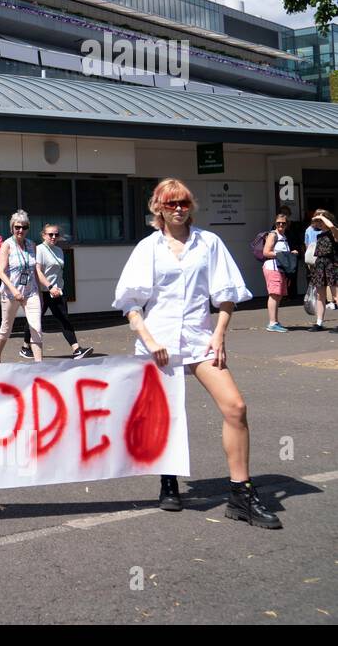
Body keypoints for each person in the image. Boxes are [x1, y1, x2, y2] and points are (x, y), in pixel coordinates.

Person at [114, 178, 280, 528]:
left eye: (184, 203)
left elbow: (226, 294)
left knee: (235, 406)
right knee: (165, 416)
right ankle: (169, 480)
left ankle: (240, 493)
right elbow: (130, 303)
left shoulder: (209, 243)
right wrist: (148, 338)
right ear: (157, 207)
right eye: (171, 203)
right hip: (157, 343)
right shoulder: (148, 248)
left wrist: (219, 335)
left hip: (199, 340)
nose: (178, 209)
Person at [20, 223, 94, 360]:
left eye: (56, 234)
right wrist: (49, 287)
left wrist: (58, 288)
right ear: (43, 235)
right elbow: (38, 272)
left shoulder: (59, 251)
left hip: (57, 292)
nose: (53, 237)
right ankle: (25, 346)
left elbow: (58, 272)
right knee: (35, 320)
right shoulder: (40, 250)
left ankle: (76, 349)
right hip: (42, 292)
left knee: (64, 319)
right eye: (50, 234)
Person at [0, 210, 47, 364]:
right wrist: (14, 290)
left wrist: (41, 293)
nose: (20, 230)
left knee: (36, 327)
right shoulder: (7, 245)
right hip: (11, 293)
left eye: (24, 227)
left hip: (31, 292)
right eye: (17, 227)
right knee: (6, 328)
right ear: (12, 228)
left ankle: (39, 364)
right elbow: (1, 272)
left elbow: (35, 271)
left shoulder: (31, 245)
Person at [262, 213, 297, 332]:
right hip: (272, 267)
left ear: (287, 224)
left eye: (283, 223)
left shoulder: (284, 236)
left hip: (280, 268)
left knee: (279, 295)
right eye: (278, 223)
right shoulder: (273, 234)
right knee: (274, 294)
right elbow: (266, 252)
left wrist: (291, 254)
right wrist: (284, 255)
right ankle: (272, 323)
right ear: (275, 223)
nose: (281, 225)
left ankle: (275, 321)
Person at [306, 210, 337, 331]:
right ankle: (319, 323)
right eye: (318, 220)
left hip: (331, 265)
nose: (319, 222)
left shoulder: (334, 232)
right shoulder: (319, 234)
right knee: (320, 296)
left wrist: (322, 216)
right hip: (320, 264)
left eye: (321, 220)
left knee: (336, 295)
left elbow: (331, 226)